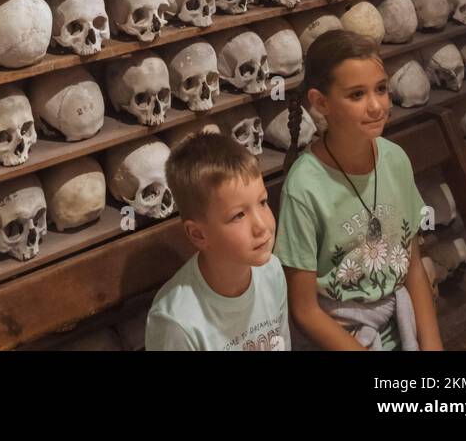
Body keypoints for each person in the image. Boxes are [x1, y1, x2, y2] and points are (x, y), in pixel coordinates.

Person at [275, 29, 443, 351]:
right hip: (344, 338)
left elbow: (413, 265)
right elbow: (305, 310)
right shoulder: (304, 187)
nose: (376, 106)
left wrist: (433, 346)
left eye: (381, 89)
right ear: (321, 102)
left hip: (401, 327)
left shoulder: (395, 159)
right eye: (356, 95)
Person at [145, 131, 291, 351]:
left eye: (262, 202)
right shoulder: (177, 322)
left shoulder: (272, 271)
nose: (261, 225)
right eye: (238, 215)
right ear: (198, 235)